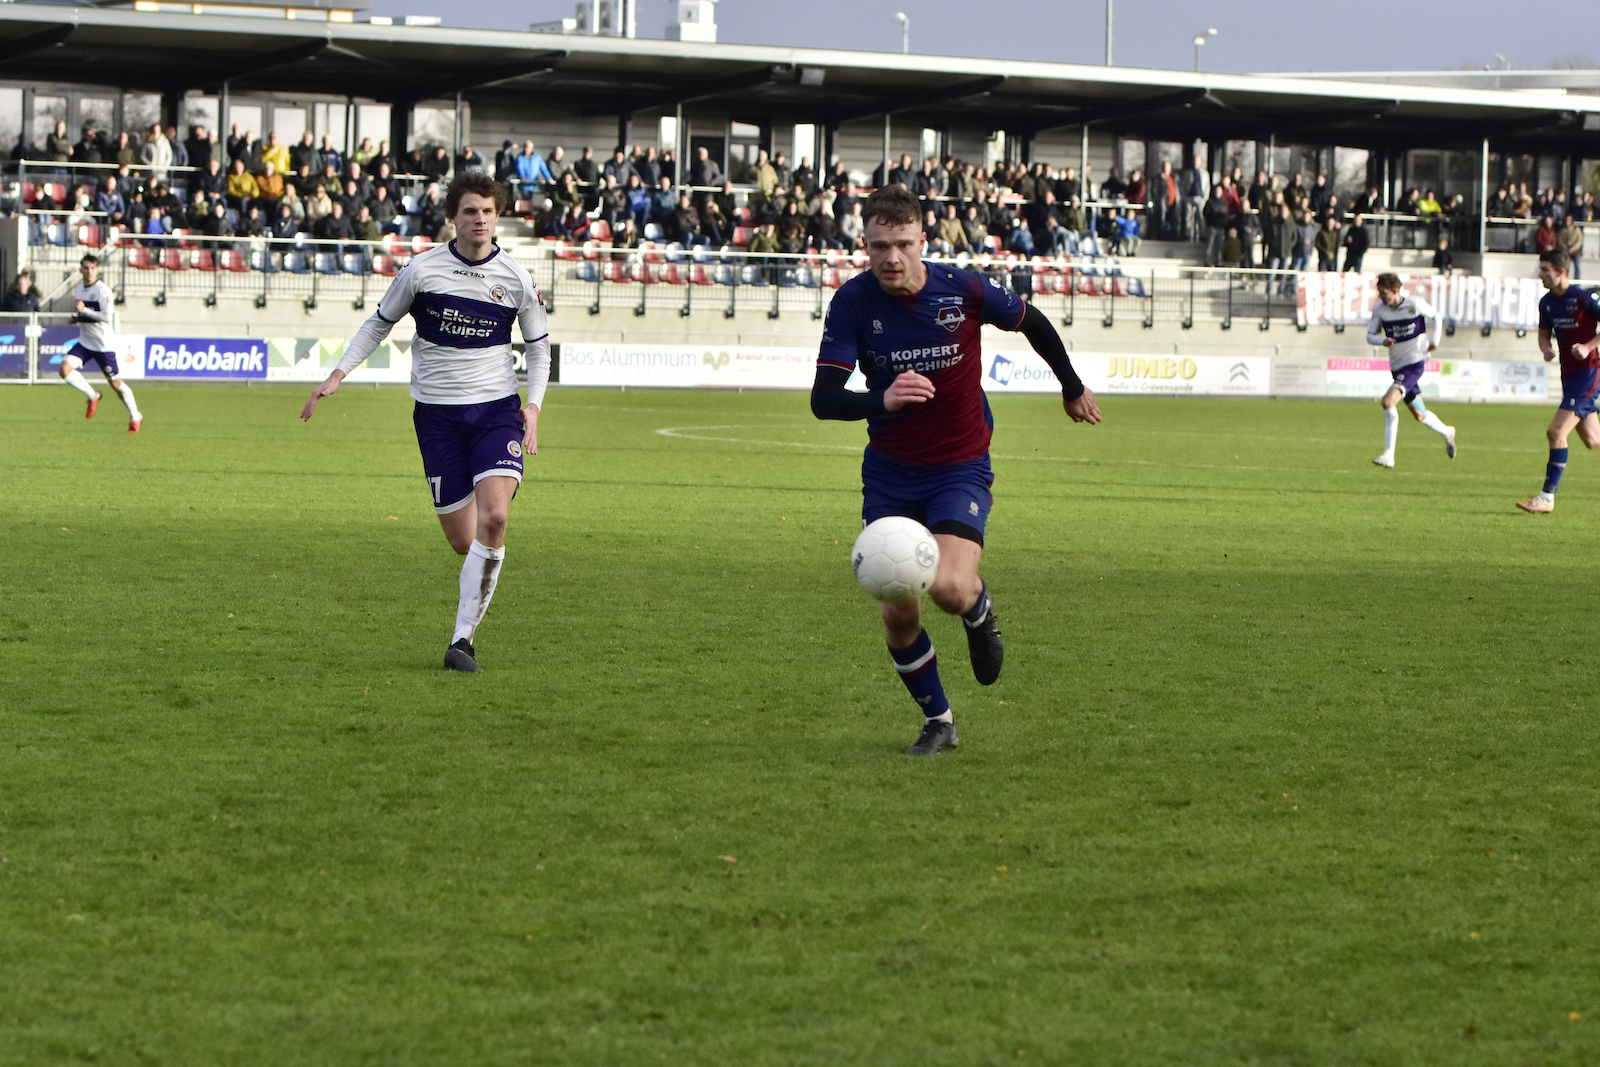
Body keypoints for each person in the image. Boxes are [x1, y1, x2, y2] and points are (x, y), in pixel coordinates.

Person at [808, 184, 1101, 756]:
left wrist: (1070, 387)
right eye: (877, 247)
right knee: (896, 608)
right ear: (864, 247)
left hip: (958, 465)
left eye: (901, 244)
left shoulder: (961, 288)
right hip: (891, 472)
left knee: (948, 587)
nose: (890, 258)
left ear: (923, 240)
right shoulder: (853, 302)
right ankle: (939, 721)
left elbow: (1032, 321)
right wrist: (881, 400)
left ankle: (978, 606)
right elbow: (823, 398)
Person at [300, 172, 551, 671]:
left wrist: (533, 408)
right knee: (465, 540)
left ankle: (463, 641)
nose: (479, 220)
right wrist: (338, 372)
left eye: (487, 212)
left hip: (497, 412)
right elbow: (378, 322)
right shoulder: (421, 271)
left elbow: (539, 348)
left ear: (497, 217)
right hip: (436, 418)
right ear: (452, 218)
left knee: (495, 518)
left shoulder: (517, 278)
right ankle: (470, 612)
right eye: (469, 212)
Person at [1517, 250, 1600, 513]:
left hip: (1589, 373)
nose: (1540, 275)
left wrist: (1588, 347)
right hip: (1569, 375)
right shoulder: (1547, 303)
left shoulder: (1585, 298)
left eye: (1544, 270)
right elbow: (1543, 335)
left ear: (1561, 272)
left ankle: (1546, 497)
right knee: (1593, 440)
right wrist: (1545, 348)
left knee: (1555, 432)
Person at [1367, 272, 1453, 469]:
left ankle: (1389, 454)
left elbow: (1436, 317)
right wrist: (1383, 340)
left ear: (1395, 291)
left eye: (1383, 293)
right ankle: (1447, 431)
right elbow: (1370, 335)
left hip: (1415, 363)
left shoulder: (1414, 303)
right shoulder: (1380, 310)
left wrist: (1434, 342)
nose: (1380, 296)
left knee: (1388, 401)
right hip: (1397, 367)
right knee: (1419, 414)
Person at [59, 255, 142, 432]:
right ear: (81, 270)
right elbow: (84, 313)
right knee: (64, 370)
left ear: (97, 270)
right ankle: (93, 395)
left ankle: (135, 415)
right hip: (85, 341)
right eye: (86, 268)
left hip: (103, 345)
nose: (89, 272)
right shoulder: (79, 288)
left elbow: (106, 316)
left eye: (92, 268)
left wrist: (84, 311)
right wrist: (77, 317)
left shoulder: (103, 290)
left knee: (115, 384)